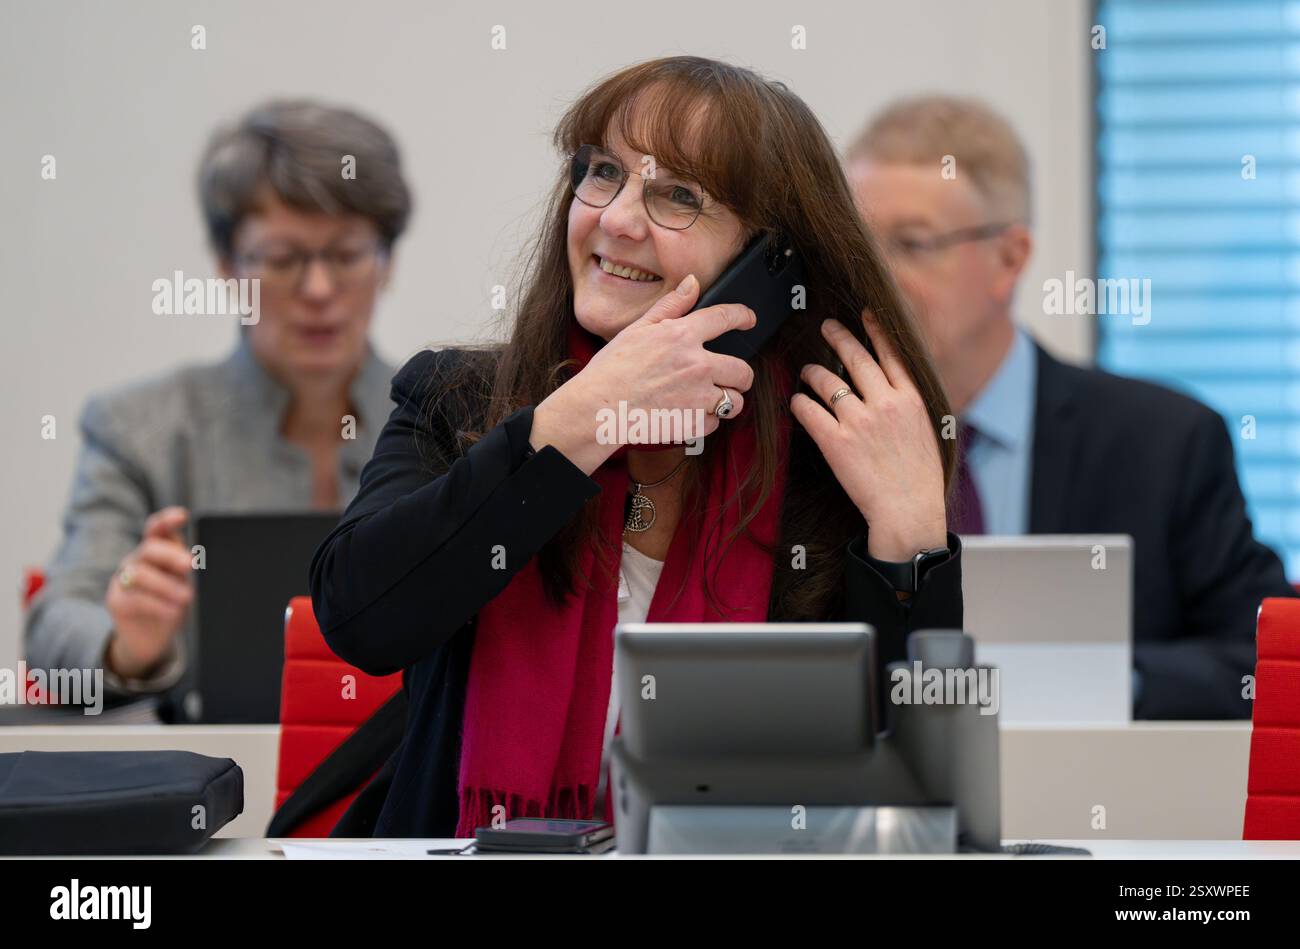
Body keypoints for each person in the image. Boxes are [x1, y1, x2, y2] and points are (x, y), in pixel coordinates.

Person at [311, 56, 964, 838]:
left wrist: (911, 543)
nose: (617, 219)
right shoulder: (457, 401)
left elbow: (922, 797)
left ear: (767, 266)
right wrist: (577, 423)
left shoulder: (823, 466)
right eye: (603, 173)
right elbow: (361, 619)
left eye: (677, 196)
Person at [845, 94, 1295, 720]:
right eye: (861, 248)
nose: (876, 277)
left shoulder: (1164, 441)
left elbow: (1260, 663)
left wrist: (1102, 682)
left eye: (912, 244)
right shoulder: (825, 438)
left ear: (1010, 260)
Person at [24, 100, 409, 715]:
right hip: (219, 784)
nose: (317, 290)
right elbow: (56, 622)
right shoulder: (139, 428)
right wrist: (126, 646)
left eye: (345, 255)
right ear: (229, 266)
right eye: (282, 259)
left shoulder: (450, 418)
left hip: (408, 788)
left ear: (386, 262)